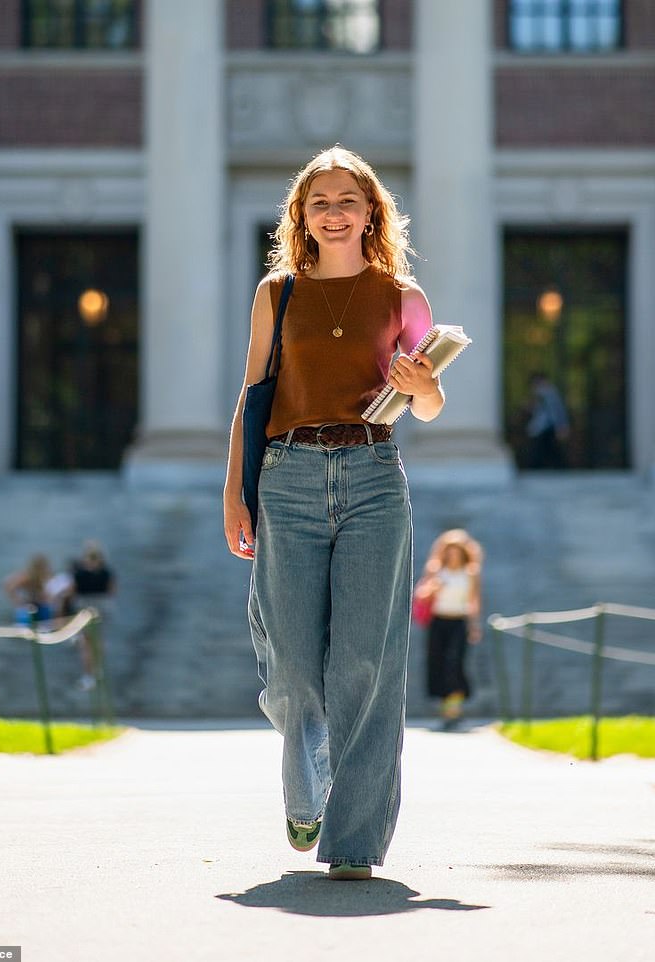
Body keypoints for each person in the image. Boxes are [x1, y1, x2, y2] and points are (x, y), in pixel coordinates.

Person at [223, 145, 445, 881]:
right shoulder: (276, 293)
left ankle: (354, 843)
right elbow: (253, 398)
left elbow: (433, 404)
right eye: (320, 201)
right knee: (291, 661)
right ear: (303, 217)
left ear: (371, 210)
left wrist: (419, 384)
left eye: (348, 198)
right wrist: (236, 495)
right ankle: (306, 778)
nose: (335, 211)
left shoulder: (401, 296)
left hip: (374, 474)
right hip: (287, 475)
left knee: (366, 663)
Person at [413, 530, 483, 726]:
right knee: (439, 665)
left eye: (457, 551)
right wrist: (433, 588)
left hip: (459, 621)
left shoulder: (470, 573)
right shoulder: (436, 570)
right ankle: (447, 712)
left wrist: (474, 625)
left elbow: (474, 601)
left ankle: (455, 709)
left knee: (455, 664)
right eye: (450, 551)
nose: (453, 556)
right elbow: (421, 594)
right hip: (438, 621)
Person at [69, 540, 116, 690]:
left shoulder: (79, 573)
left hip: (85, 607)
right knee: (98, 640)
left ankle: (89, 675)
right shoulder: (106, 572)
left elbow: (72, 591)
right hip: (102, 606)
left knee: (86, 644)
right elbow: (112, 591)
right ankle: (97, 669)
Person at [526, 372, 569, 469]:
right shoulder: (546, 394)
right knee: (549, 449)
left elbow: (557, 411)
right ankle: (560, 467)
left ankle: (535, 467)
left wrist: (561, 426)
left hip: (546, 427)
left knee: (543, 449)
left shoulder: (548, 393)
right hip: (545, 427)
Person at [3, 553, 55, 626]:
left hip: (38, 603)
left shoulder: (45, 575)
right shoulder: (27, 577)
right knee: (26, 616)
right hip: (28, 603)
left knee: (46, 614)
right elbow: (10, 587)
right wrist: (18, 602)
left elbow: (47, 591)